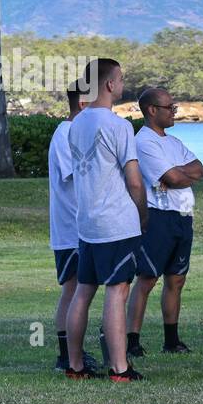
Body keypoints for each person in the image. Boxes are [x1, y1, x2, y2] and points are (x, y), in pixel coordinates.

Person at [64, 58, 148, 381]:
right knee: (117, 291)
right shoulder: (119, 126)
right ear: (110, 85)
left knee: (83, 292)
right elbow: (135, 181)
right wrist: (143, 214)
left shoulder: (76, 126)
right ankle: (119, 368)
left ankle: (75, 365)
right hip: (116, 224)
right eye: (121, 79)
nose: (123, 85)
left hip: (87, 225)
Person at [125, 87, 203, 356]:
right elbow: (173, 179)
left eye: (174, 106)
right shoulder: (144, 142)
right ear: (152, 110)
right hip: (159, 217)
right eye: (169, 107)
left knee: (176, 279)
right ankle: (132, 341)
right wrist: (178, 175)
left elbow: (199, 169)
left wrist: (177, 174)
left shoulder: (173, 143)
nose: (174, 111)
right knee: (147, 278)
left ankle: (172, 340)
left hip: (183, 217)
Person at [49, 81, 99, 372]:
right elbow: (78, 175)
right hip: (70, 230)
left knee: (82, 289)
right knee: (72, 290)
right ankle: (65, 355)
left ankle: (74, 352)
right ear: (83, 104)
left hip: (83, 227)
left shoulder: (75, 133)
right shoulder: (66, 134)